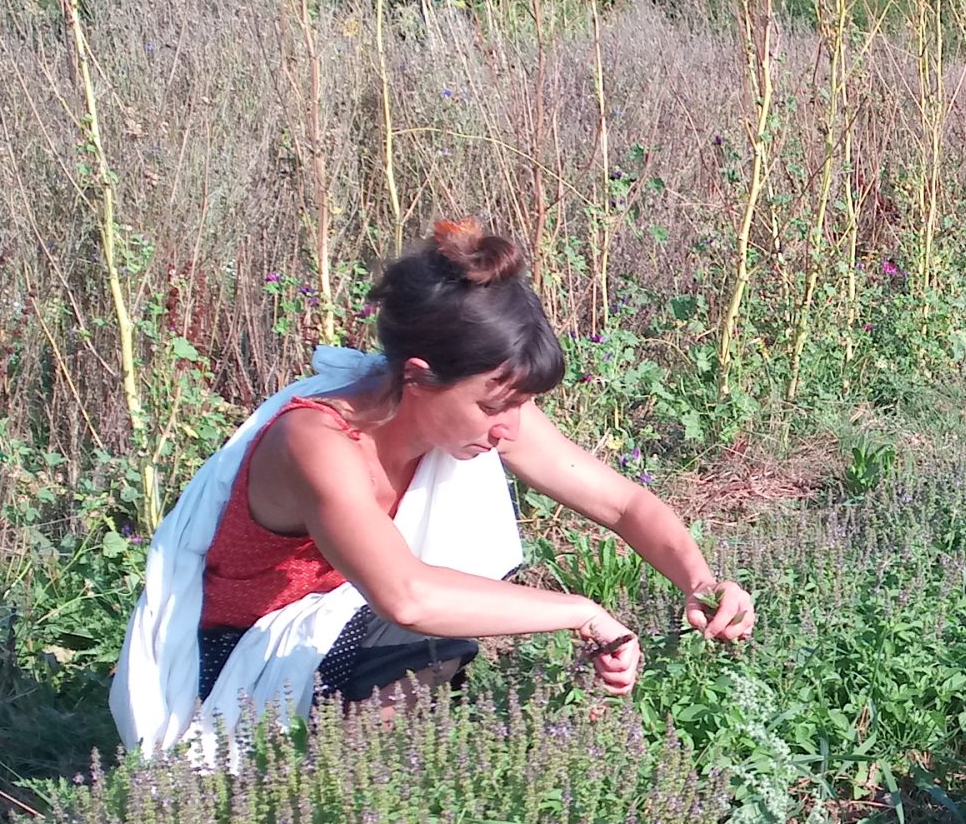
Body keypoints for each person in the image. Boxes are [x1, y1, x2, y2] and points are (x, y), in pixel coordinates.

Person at [110, 220, 753, 757]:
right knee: (421, 631)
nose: (508, 429)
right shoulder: (317, 441)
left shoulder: (481, 407)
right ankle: (352, 801)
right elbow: (409, 598)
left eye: (519, 405)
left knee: (434, 626)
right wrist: (581, 612)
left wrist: (699, 580)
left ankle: (390, 776)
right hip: (232, 662)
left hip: (334, 632)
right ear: (418, 375)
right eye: (494, 405)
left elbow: (624, 502)